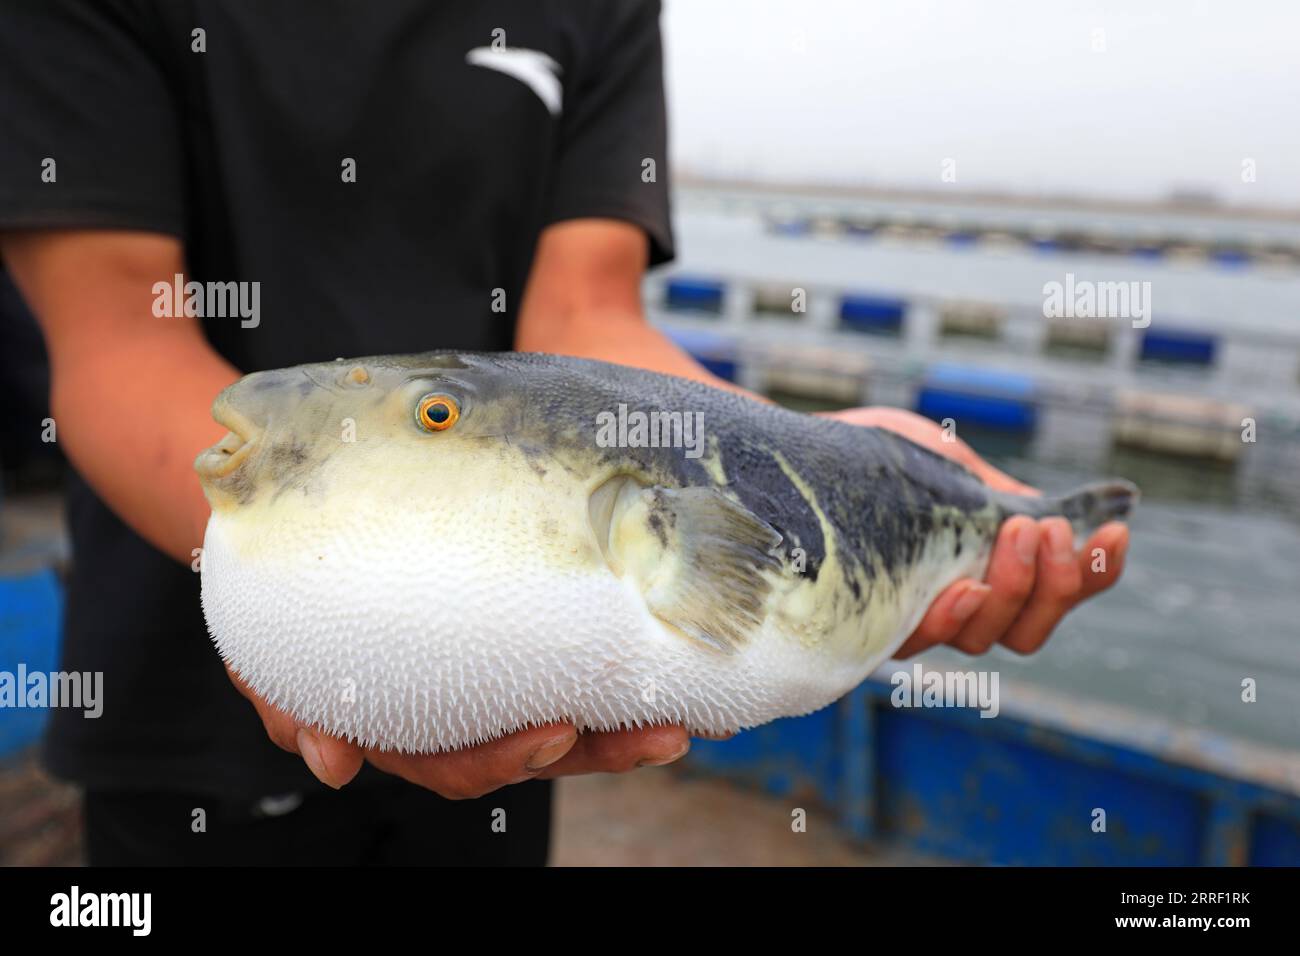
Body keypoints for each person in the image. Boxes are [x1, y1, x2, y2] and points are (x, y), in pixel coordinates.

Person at [0, 0, 1128, 866]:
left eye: (431, 415)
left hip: (520, 669)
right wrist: (293, 597)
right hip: (173, 685)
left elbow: (585, 314)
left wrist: (816, 454)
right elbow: (110, 338)